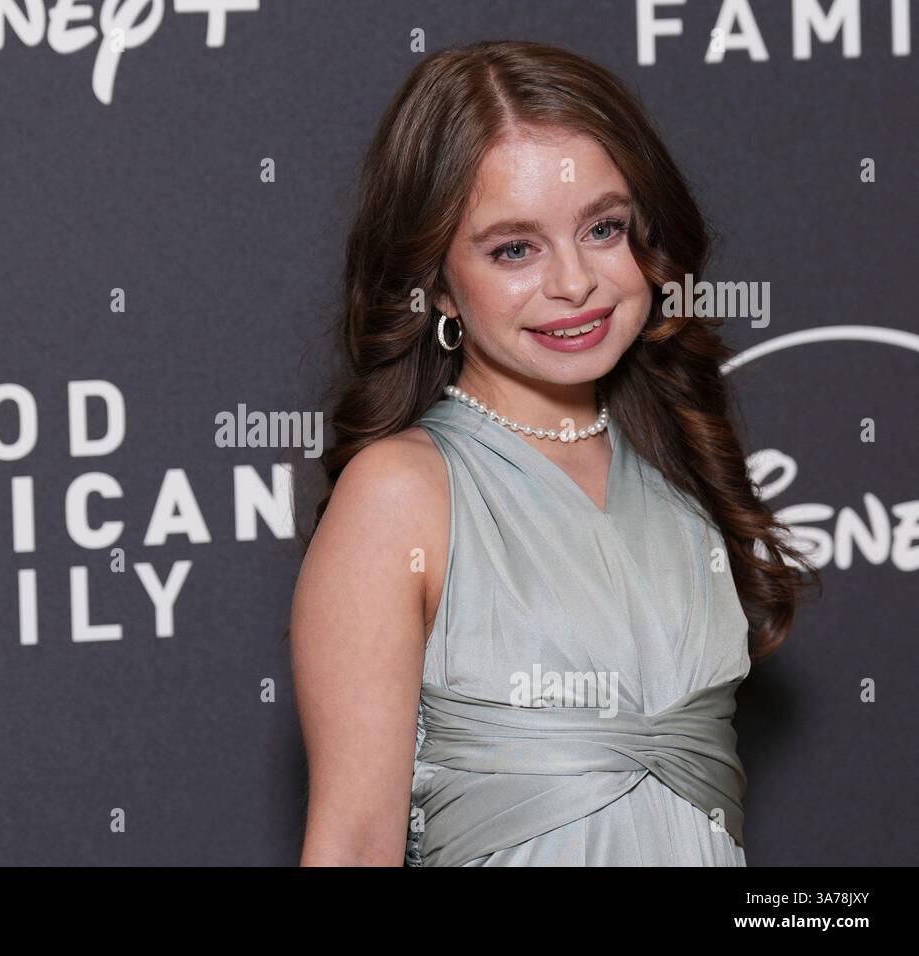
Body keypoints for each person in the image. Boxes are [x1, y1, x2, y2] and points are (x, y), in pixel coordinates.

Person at [289, 39, 819, 866]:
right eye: (514, 248)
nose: (574, 283)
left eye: (603, 228)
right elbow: (353, 845)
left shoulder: (675, 464)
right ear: (435, 282)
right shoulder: (401, 494)